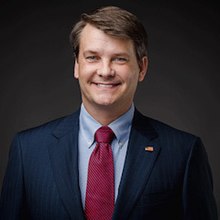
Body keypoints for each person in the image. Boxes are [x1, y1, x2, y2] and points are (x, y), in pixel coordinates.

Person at [0, 5, 218, 220]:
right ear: (76, 65)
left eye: (119, 58)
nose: (105, 71)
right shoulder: (27, 150)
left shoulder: (183, 153)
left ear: (142, 68)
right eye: (92, 57)